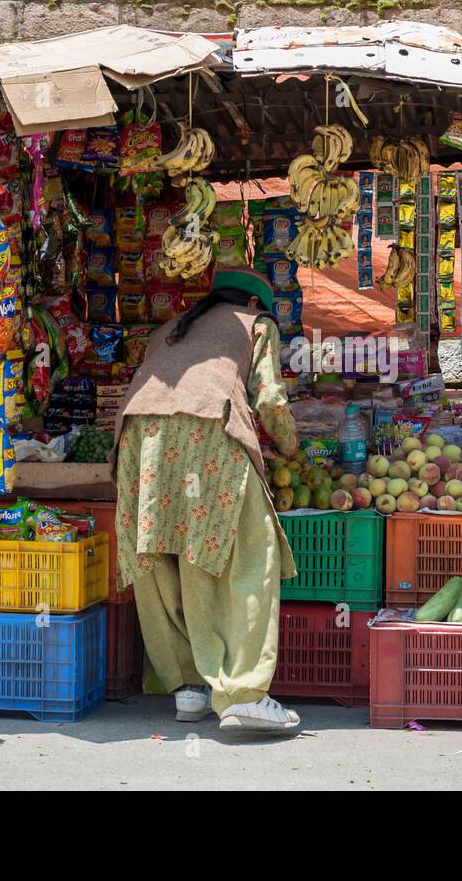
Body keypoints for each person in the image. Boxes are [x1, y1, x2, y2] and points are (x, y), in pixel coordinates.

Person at [112, 267, 302, 733]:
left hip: (140, 437)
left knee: (157, 553)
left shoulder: (171, 327)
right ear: (256, 304)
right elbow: (271, 400)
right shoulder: (255, 324)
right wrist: (292, 447)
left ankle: (189, 687)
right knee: (245, 554)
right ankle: (243, 692)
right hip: (205, 432)